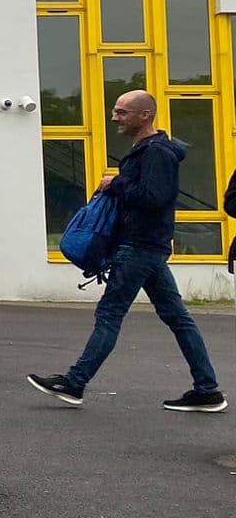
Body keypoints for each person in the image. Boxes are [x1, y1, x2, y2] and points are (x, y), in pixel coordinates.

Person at [28, 92, 225, 412]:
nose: (114, 117)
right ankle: (207, 389)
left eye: (121, 112)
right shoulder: (148, 151)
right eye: (115, 111)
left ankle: (75, 382)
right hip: (147, 246)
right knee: (178, 318)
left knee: (110, 315)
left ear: (145, 115)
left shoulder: (156, 153)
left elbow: (153, 197)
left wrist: (115, 183)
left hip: (139, 246)